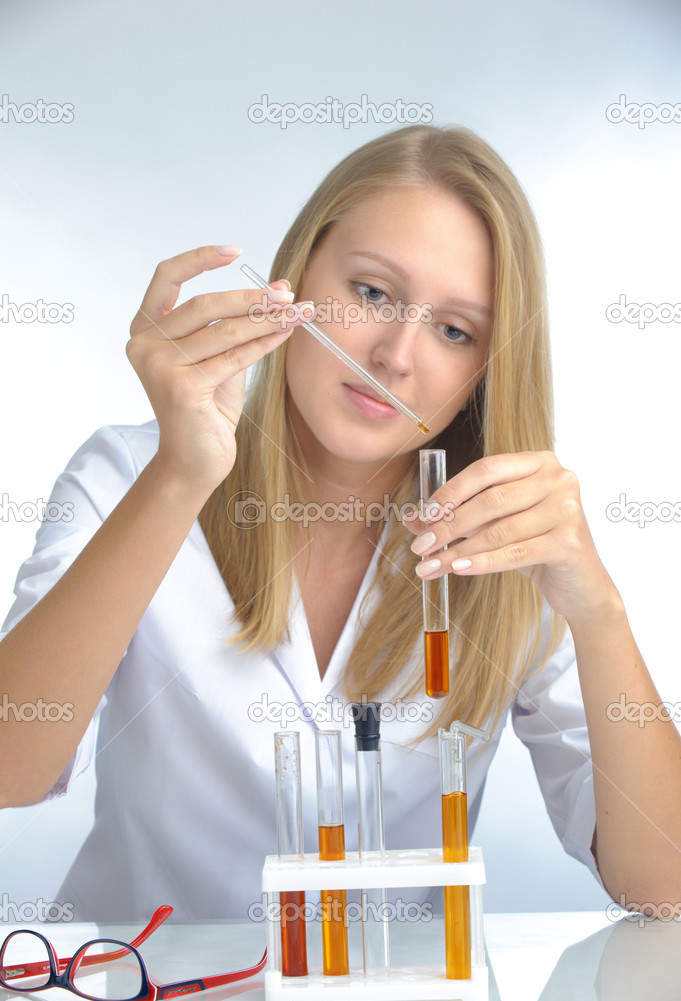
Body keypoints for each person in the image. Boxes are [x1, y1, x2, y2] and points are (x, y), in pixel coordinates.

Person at [0, 125, 679, 923]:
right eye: (370, 292)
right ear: (292, 278)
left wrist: (598, 611)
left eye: (453, 330)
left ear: (483, 374)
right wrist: (180, 476)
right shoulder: (126, 476)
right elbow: (11, 767)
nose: (394, 354)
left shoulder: (511, 545)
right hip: (144, 995)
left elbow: (662, 886)